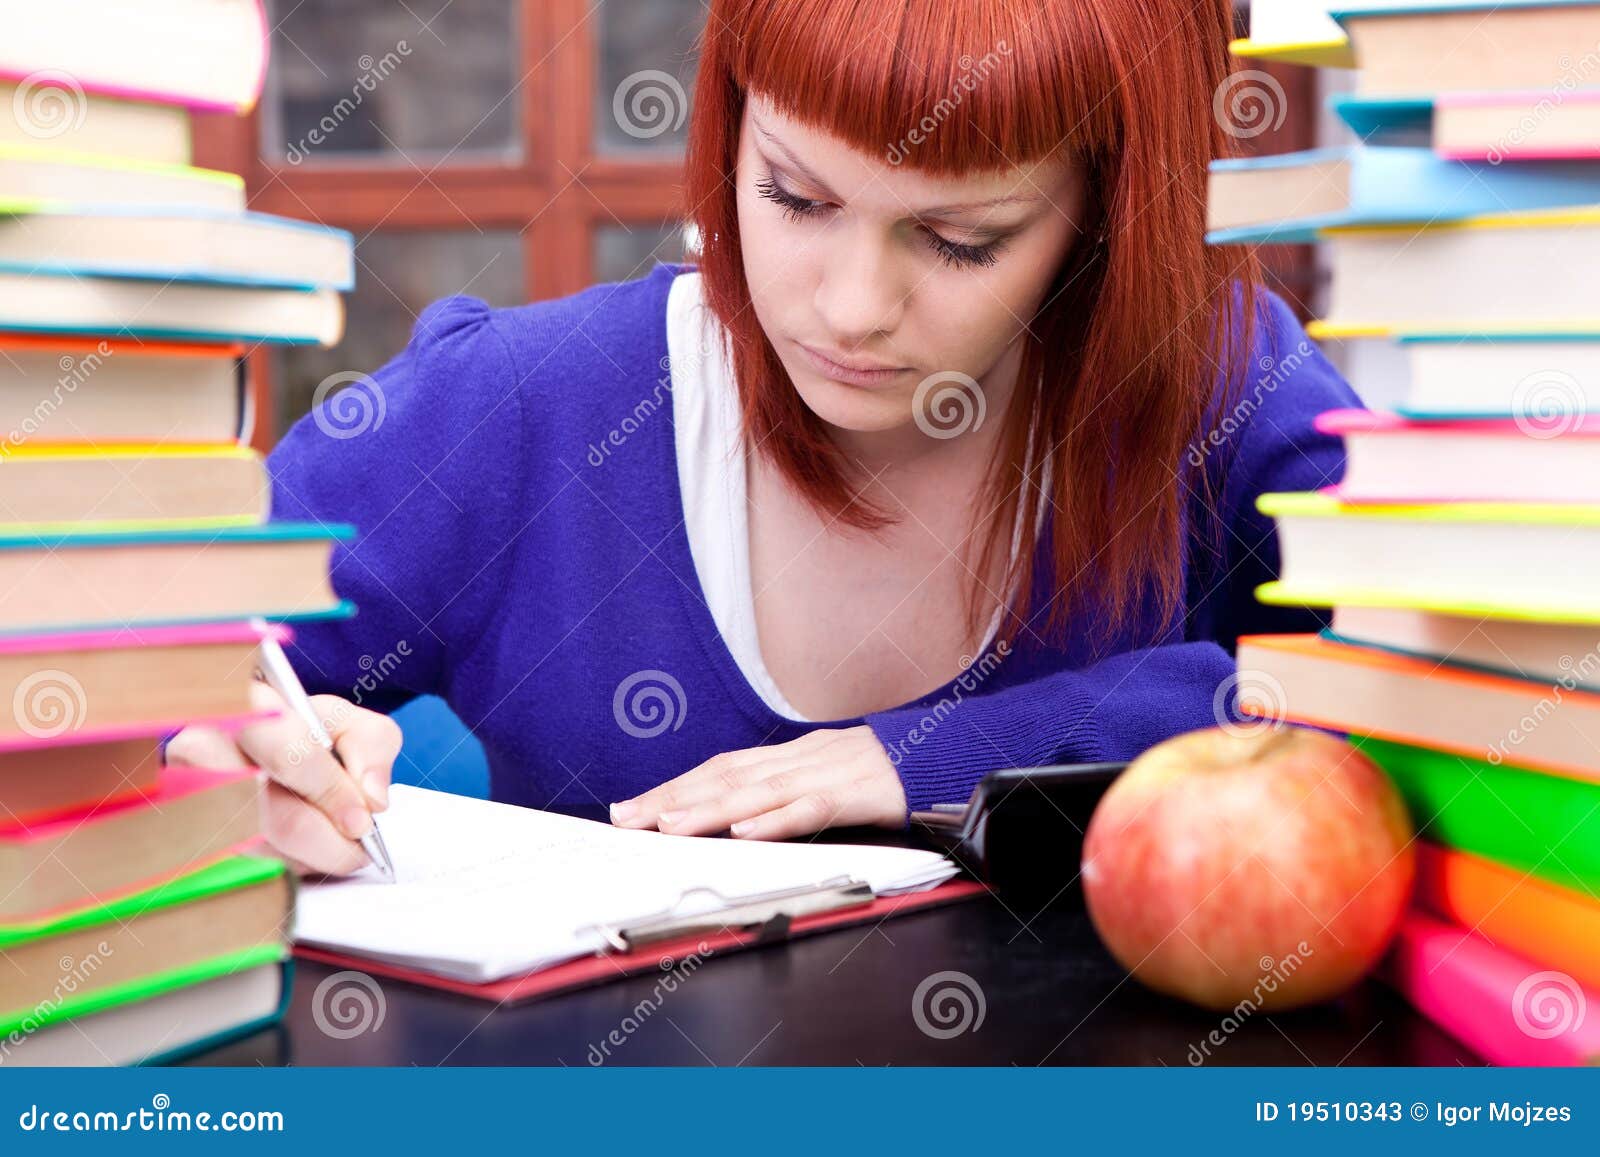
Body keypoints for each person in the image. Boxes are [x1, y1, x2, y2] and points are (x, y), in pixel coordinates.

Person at [167, 0, 1359, 877]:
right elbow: (124, 653)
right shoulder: (526, 403)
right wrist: (224, 750)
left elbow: (1449, 687)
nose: (849, 308)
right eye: (794, 195)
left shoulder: (1217, 386)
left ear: (1105, 214)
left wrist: (947, 750)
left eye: (960, 239)